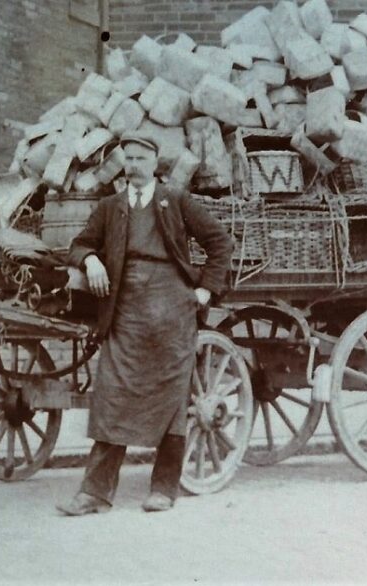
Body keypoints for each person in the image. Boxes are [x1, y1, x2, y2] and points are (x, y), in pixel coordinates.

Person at [57, 134, 234, 515]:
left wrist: (204, 292)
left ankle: (164, 489)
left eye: (141, 158)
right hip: (125, 311)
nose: (134, 165)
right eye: (129, 159)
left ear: (155, 162)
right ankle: (95, 493)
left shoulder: (177, 201)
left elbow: (219, 242)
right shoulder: (110, 207)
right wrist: (90, 260)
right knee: (112, 395)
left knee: (172, 397)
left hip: (172, 309)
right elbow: (78, 244)